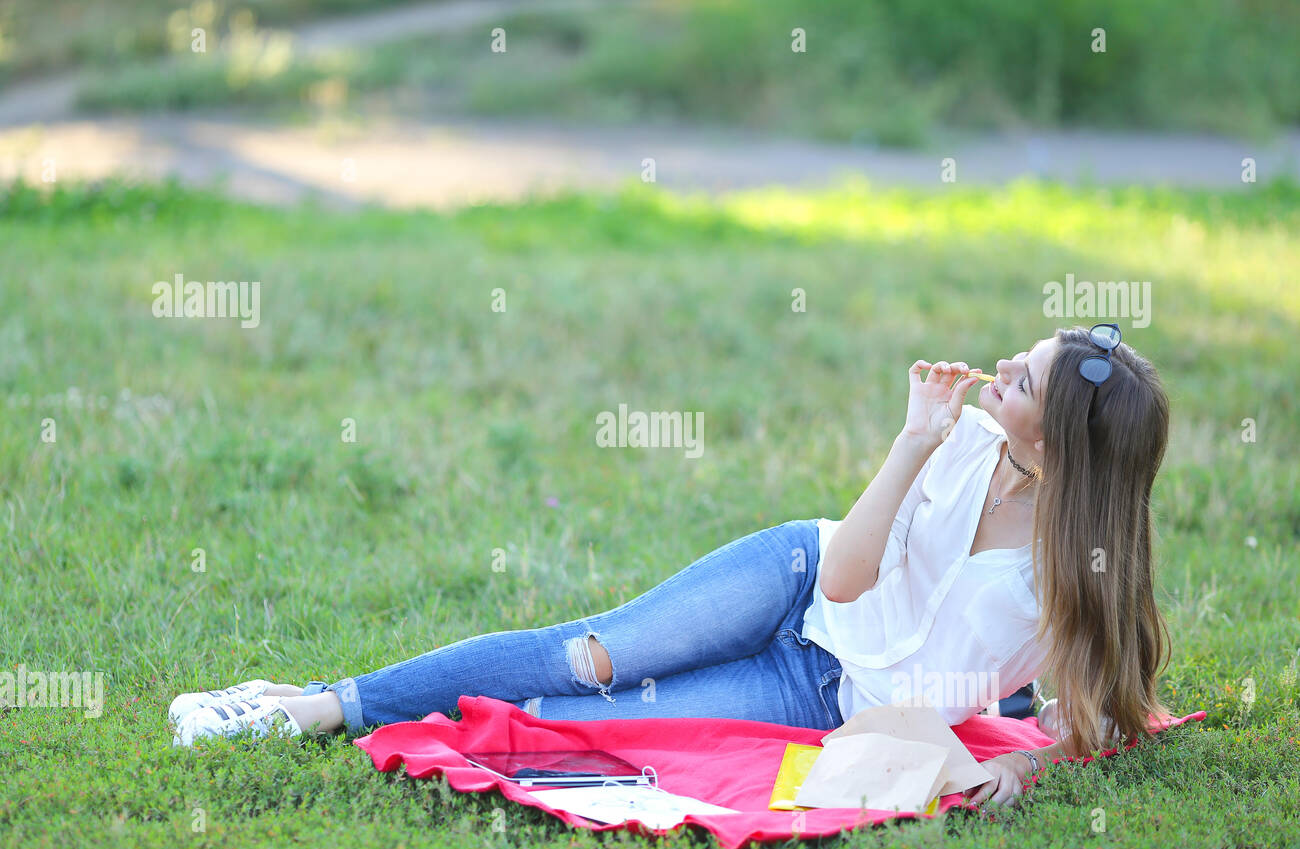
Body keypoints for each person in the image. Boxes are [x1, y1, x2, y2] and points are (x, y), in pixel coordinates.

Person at [169, 323, 1173, 810]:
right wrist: (911, 442)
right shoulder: (959, 442)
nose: (1000, 372)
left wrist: (1013, 764)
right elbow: (844, 580)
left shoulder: (1076, 578)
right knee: (589, 656)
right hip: (796, 573)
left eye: (1023, 378)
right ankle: (312, 704)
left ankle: (373, 716)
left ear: (1063, 444)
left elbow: (1083, 721)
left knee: (578, 728)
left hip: (819, 692)